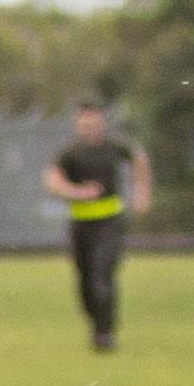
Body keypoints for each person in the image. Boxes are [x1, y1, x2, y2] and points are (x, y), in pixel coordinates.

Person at [44, 104, 152, 353]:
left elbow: (139, 159)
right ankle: (96, 322)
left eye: (92, 123)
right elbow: (52, 180)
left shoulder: (114, 148)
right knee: (85, 281)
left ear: (101, 123)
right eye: (84, 124)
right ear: (77, 125)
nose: (88, 128)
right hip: (81, 224)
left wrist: (142, 193)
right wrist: (76, 193)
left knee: (102, 276)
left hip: (110, 222)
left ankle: (105, 333)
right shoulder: (71, 153)